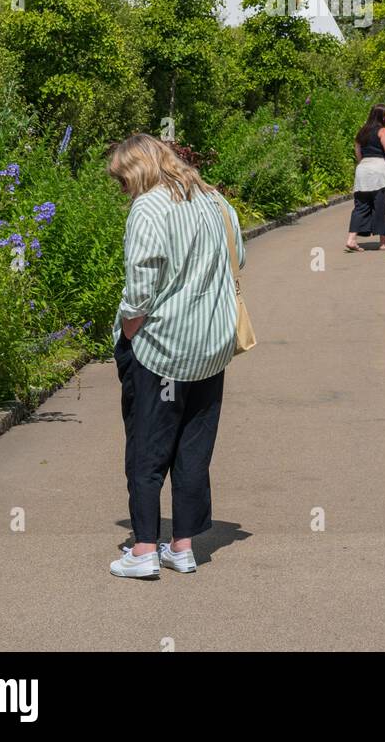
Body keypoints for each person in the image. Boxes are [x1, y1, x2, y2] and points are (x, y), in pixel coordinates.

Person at [106, 134, 244, 580]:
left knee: (148, 448)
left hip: (162, 347)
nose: (124, 190)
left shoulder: (149, 207)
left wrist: (128, 327)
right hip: (210, 345)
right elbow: (237, 256)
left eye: (123, 180)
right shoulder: (214, 200)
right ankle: (182, 546)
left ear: (139, 169)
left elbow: (141, 282)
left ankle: (144, 547)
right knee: (193, 447)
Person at [346, 105, 385, 252]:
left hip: (362, 170)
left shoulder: (362, 131)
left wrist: (363, 164)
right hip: (379, 170)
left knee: (361, 206)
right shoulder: (383, 130)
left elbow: (358, 152)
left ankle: (351, 239)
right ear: (382, 116)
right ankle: (383, 243)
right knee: (382, 205)